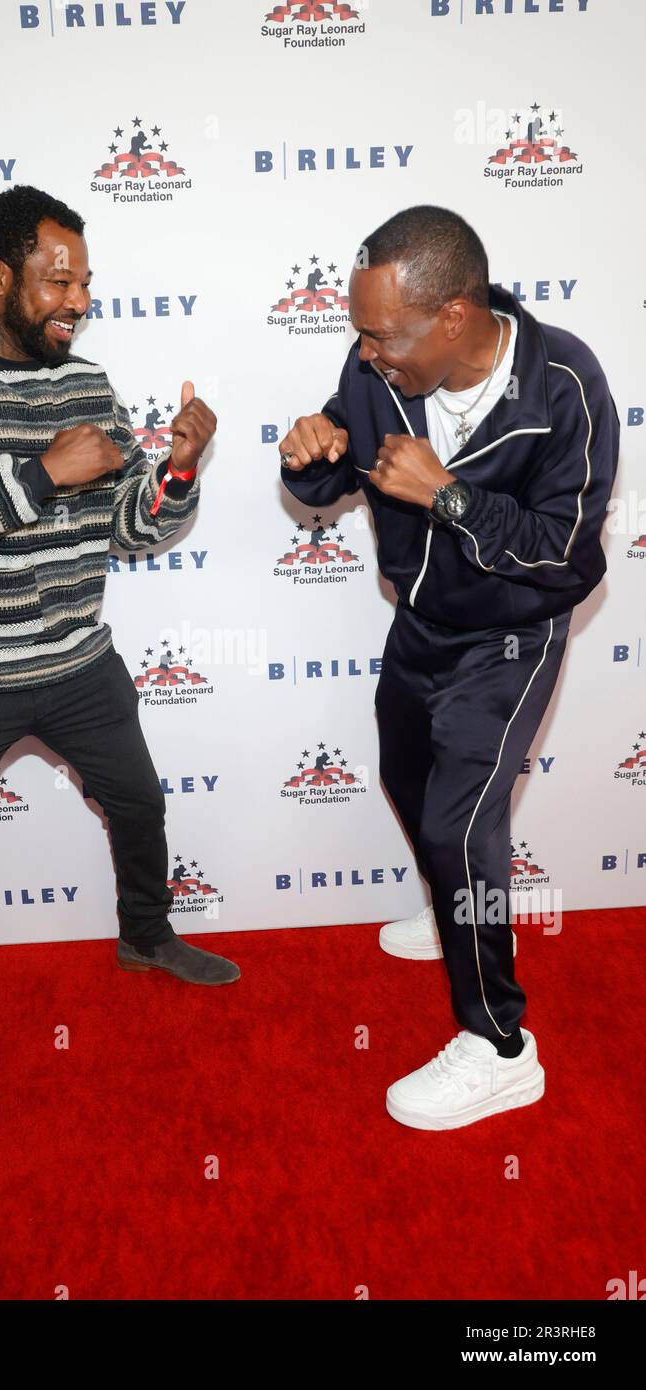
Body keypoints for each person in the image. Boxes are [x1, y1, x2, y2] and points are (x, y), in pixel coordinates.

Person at [0, 184, 239, 1135]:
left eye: (84, 282)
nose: (76, 299)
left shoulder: (88, 382)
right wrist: (41, 472)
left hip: (80, 664)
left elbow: (130, 527)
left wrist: (180, 472)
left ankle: (146, 938)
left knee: (143, 806)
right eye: (56, 278)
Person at [279, 205, 619, 1131]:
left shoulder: (565, 383)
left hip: (515, 637)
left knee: (460, 824)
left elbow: (568, 557)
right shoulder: (380, 363)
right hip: (422, 623)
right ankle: (457, 916)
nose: (363, 351)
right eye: (358, 331)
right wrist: (312, 456)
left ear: (456, 317)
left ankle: (502, 1048)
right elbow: (338, 475)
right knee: (408, 779)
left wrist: (455, 496)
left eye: (381, 334)